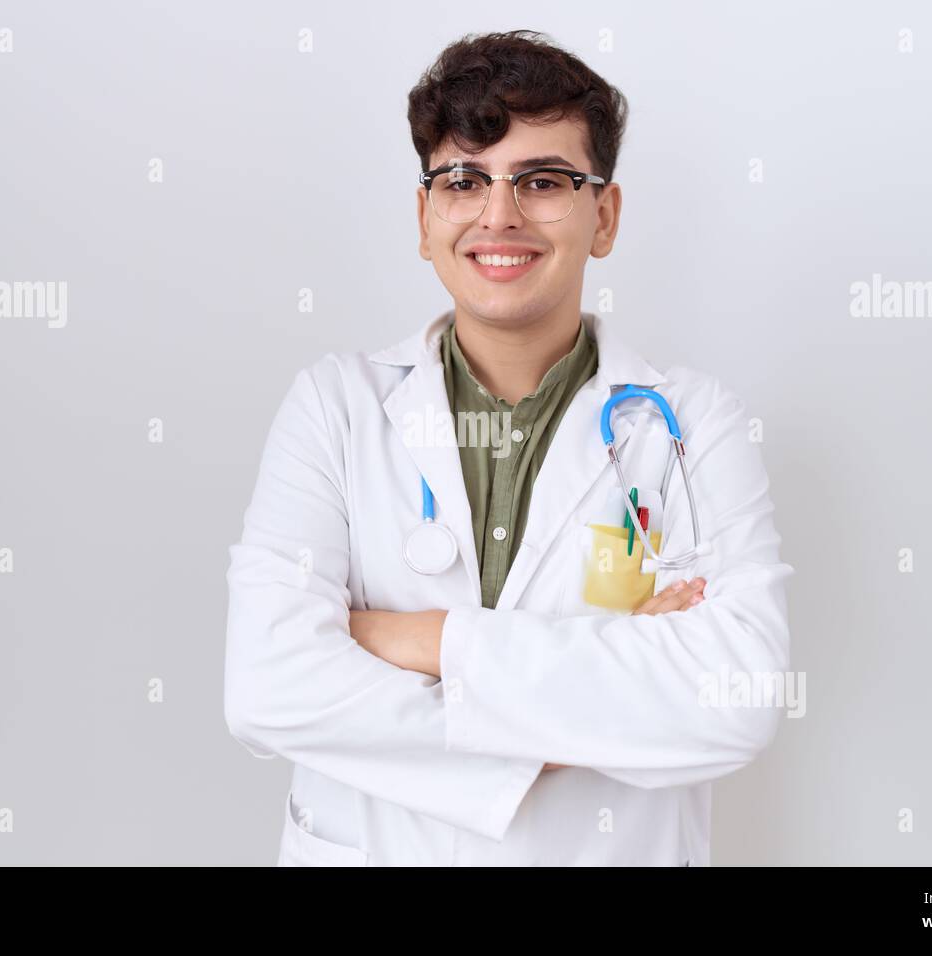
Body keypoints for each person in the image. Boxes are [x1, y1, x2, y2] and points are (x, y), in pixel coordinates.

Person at [224, 30, 793, 866]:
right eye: (464, 180)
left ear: (604, 216)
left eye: (543, 181)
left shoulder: (690, 426)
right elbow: (267, 686)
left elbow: (736, 697)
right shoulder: (334, 409)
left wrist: (415, 639)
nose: (499, 214)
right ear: (425, 218)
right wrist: (580, 717)